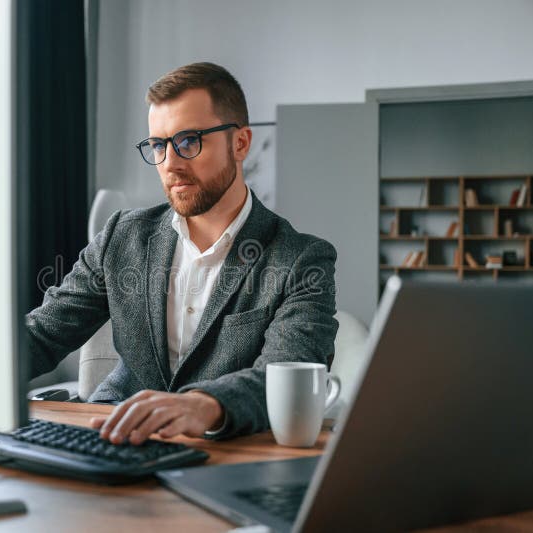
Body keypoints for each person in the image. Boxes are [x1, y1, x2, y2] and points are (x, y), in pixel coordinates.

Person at [26, 62, 337, 444]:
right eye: (158, 145)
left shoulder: (300, 259)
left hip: (223, 455)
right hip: (113, 440)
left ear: (240, 143)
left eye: (189, 140)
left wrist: (203, 404)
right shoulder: (122, 236)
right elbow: (42, 335)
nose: (170, 163)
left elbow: (285, 373)